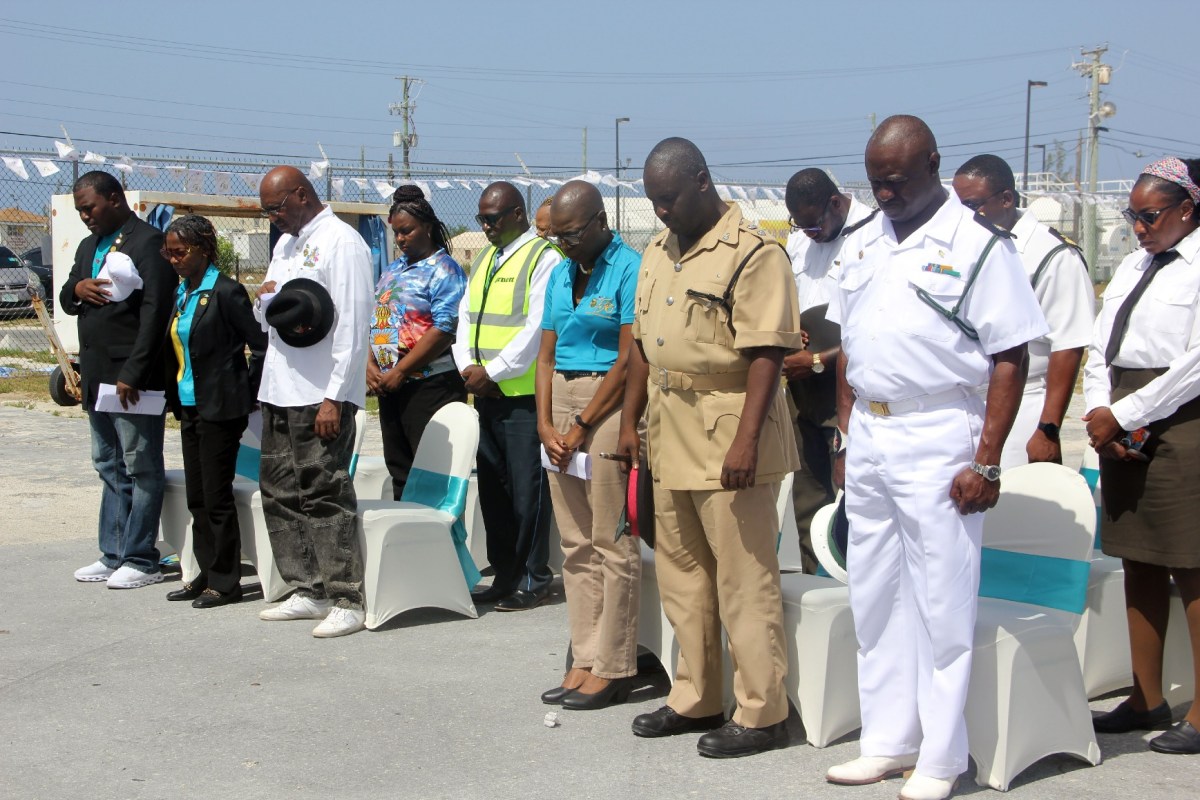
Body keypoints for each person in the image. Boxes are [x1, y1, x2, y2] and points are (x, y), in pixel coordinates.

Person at [824, 116, 1047, 800]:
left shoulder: (980, 246)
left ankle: (943, 757)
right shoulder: (860, 243)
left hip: (939, 430)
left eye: (895, 182)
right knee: (875, 594)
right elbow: (846, 344)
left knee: (942, 603)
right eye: (874, 183)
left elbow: (1010, 355)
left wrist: (986, 461)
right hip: (871, 433)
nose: (884, 195)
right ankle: (889, 743)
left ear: (933, 168)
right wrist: (845, 430)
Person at [616, 137, 801, 758]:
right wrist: (631, 424)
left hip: (729, 434)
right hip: (669, 431)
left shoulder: (753, 254)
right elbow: (643, 345)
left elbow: (768, 354)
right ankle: (696, 694)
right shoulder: (658, 251)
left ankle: (762, 711)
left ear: (701, 181)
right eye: (652, 202)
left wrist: (748, 441)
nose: (660, 211)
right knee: (683, 574)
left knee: (744, 579)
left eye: (667, 199)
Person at [1083, 157, 1200, 755]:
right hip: (1121, 415)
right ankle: (1145, 695)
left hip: (1182, 418)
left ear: (1186, 210)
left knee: (1191, 563)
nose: (1138, 226)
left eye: (1149, 215)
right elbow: (1101, 345)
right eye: (1132, 215)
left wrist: (1128, 415)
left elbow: (1196, 362)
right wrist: (1104, 411)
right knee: (1138, 559)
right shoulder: (1133, 264)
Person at [253, 166, 374, 638]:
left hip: (320, 392)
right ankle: (307, 587)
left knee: (324, 493)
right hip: (279, 387)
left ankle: (346, 596)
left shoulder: (342, 243)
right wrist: (264, 301)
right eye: (267, 211)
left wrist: (334, 398)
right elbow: (272, 319)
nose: (272, 218)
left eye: (276, 208)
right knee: (280, 492)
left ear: (301, 194)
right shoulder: (284, 244)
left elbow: (353, 327)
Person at [535, 180, 641, 710]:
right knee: (574, 543)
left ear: (601, 222)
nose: (565, 245)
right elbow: (546, 354)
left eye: (573, 235)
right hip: (559, 399)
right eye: (558, 237)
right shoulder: (560, 272)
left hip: (607, 401)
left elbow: (628, 359)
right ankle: (583, 655)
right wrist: (544, 423)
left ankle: (615, 664)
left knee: (609, 538)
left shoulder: (628, 267)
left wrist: (581, 425)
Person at [452, 182, 563, 611]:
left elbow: (536, 329)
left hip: (520, 396)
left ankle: (534, 577)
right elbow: (466, 316)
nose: (485, 226)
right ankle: (504, 573)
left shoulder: (543, 258)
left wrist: (493, 372)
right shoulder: (485, 257)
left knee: (527, 492)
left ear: (518, 214)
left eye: (492, 218)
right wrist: (467, 367)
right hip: (485, 394)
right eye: (481, 218)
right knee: (495, 491)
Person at [63, 171, 176, 590]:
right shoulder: (89, 245)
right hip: (97, 376)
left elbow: (156, 314)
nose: (85, 217)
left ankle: (141, 557)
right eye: (79, 211)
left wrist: (135, 371)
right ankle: (112, 553)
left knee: (140, 465)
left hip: (132, 381)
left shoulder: (148, 243)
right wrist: (77, 287)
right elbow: (65, 298)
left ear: (114, 198)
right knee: (108, 463)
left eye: (89, 208)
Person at [953, 154, 1094, 468]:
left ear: (1006, 199)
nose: (963, 216)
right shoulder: (963, 247)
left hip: (1022, 402)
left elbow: (1068, 346)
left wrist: (1048, 429)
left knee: (1009, 505)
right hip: (962, 401)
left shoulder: (1052, 255)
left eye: (971, 205)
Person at [161, 215, 267, 607]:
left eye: (179, 252)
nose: (172, 259)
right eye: (167, 252)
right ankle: (203, 573)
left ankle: (226, 582)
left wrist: (246, 390)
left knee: (216, 496)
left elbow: (259, 345)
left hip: (221, 408)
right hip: (189, 405)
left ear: (203, 249)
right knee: (197, 497)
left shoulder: (226, 291)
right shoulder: (182, 292)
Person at [782, 168, 877, 572]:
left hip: (850, 387)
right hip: (803, 389)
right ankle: (812, 578)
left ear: (836, 203)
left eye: (815, 222)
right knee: (808, 493)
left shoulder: (876, 236)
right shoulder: (800, 241)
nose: (809, 232)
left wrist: (820, 360)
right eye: (800, 225)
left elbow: (873, 327)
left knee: (852, 496)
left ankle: (855, 585)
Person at [367, 186, 468, 499]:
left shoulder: (445, 269)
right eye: (396, 233)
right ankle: (405, 533)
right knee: (400, 469)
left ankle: (437, 539)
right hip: (391, 386)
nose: (400, 239)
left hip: (429, 386)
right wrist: (370, 365)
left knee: (431, 474)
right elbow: (378, 319)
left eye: (407, 231)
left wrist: (401, 370)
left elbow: (444, 329)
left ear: (427, 226)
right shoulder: (392, 270)